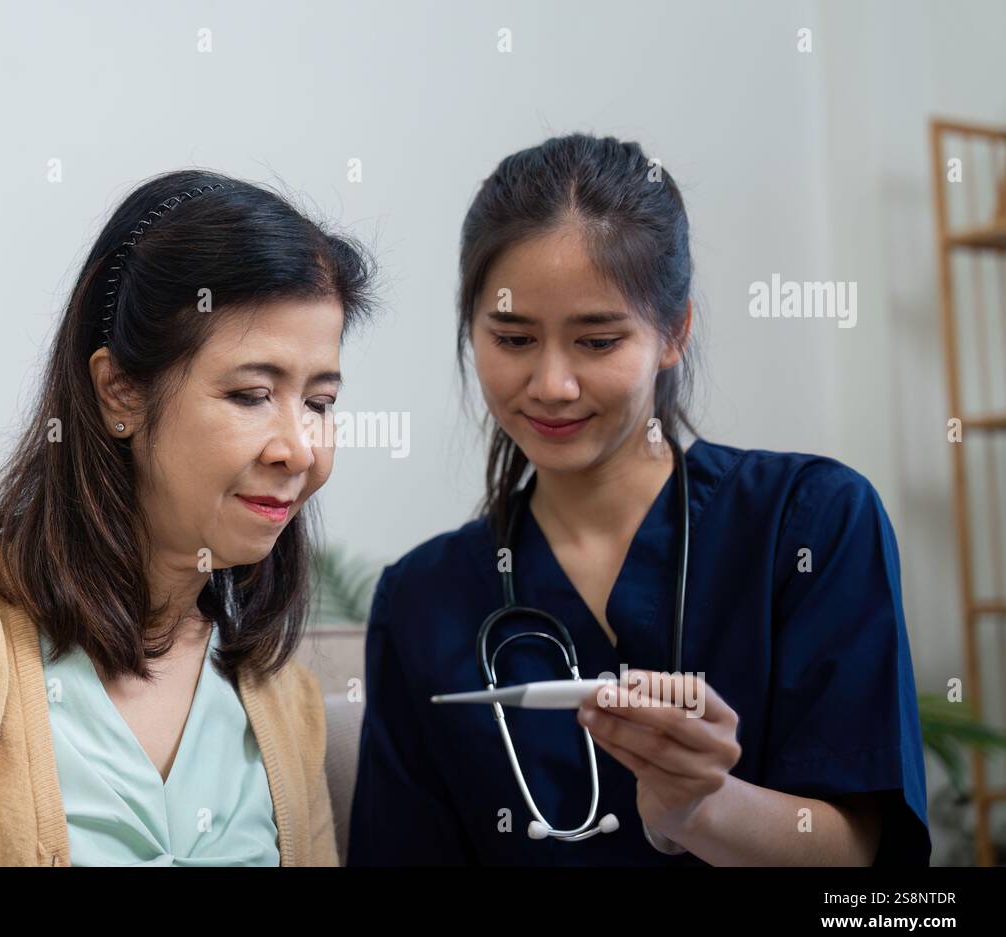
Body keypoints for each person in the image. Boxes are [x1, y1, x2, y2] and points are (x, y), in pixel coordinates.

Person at [347, 133, 930, 866]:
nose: (552, 384)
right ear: (473, 333)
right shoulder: (423, 599)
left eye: (597, 342)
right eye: (514, 338)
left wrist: (700, 807)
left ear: (674, 332)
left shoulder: (808, 523)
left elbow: (860, 858)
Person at [0, 171, 376, 866]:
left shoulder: (282, 696)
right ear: (119, 390)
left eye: (321, 403)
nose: (299, 447)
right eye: (250, 394)